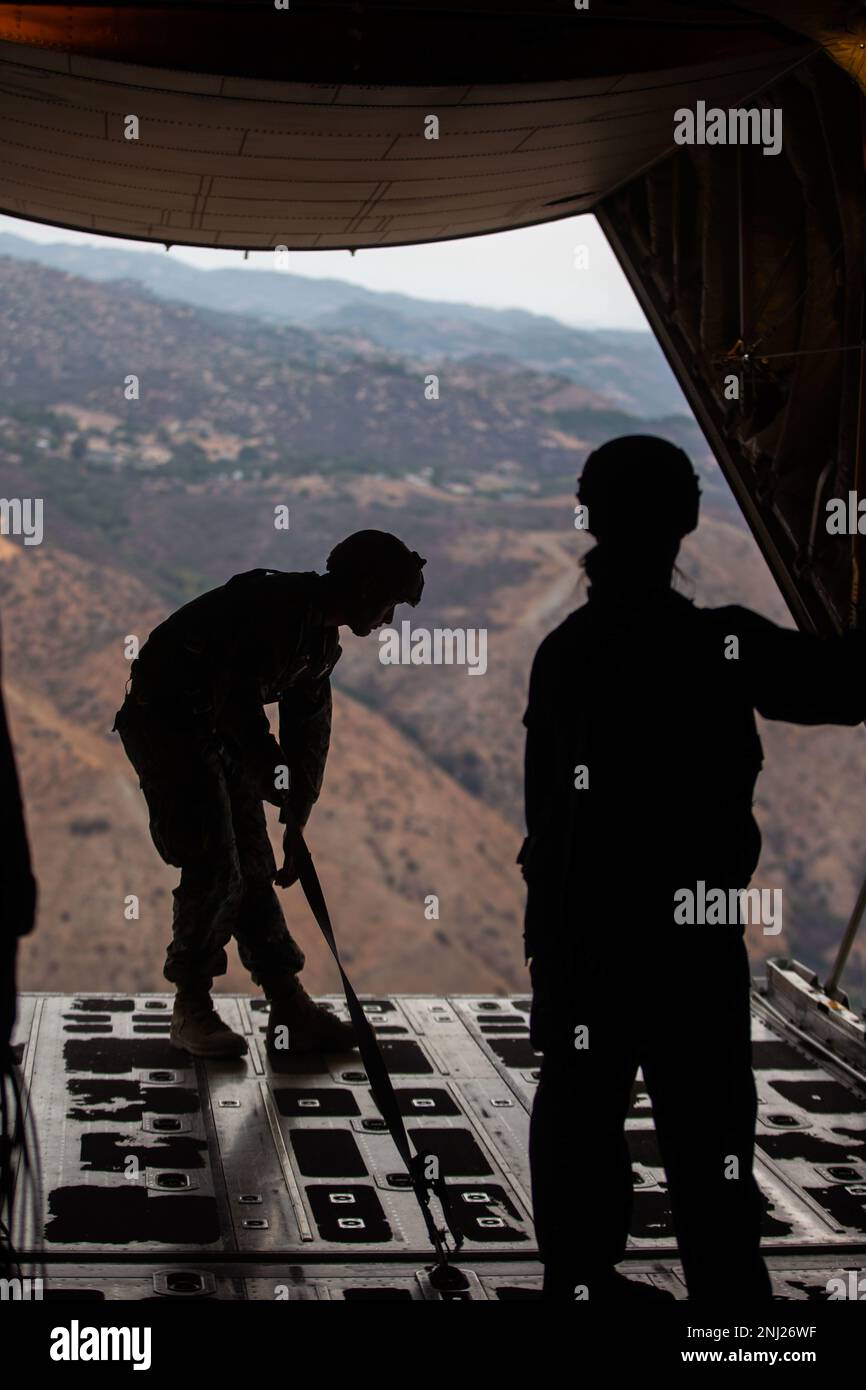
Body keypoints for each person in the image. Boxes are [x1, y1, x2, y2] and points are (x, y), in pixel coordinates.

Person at [520, 435, 866, 1303]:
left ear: (588, 514)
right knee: (711, 1140)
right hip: (691, 939)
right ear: (688, 518)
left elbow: (547, 825)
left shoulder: (565, 654)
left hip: (585, 938)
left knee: (578, 1116)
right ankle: (733, 1323)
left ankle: (580, 1287)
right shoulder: (725, 647)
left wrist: (550, 951)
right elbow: (848, 689)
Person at [113, 530, 425, 1059]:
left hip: (216, 732)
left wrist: (295, 814)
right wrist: (273, 777)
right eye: (390, 603)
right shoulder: (274, 609)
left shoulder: (319, 642)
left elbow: (309, 732)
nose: (390, 619)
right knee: (214, 863)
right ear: (367, 589)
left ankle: (288, 1003)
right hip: (169, 726)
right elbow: (238, 710)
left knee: (253, 868)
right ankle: (191, 1007)